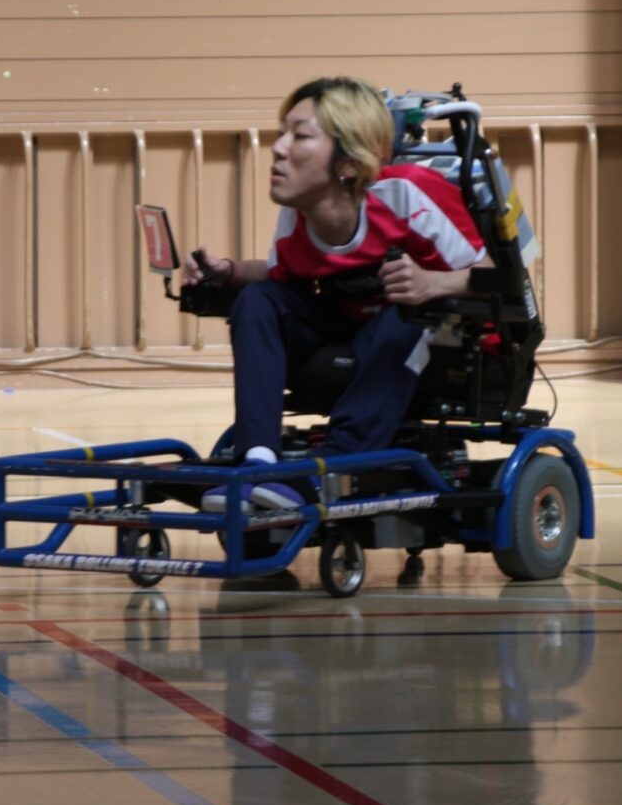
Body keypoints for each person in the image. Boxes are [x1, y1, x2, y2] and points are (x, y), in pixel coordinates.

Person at [182, 77, 486, 512]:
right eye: (281, 132)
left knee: (405, 315)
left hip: (445, 335)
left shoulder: (407, 194)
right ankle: (257, 461)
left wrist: (433, 283)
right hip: (356, 327)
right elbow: (280, 271)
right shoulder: (299, 210)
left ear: (347, 162)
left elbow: (503, 274)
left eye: (300, 135)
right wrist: (226, 271)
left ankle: (331, 468)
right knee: (259, 300)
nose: (278, 147)